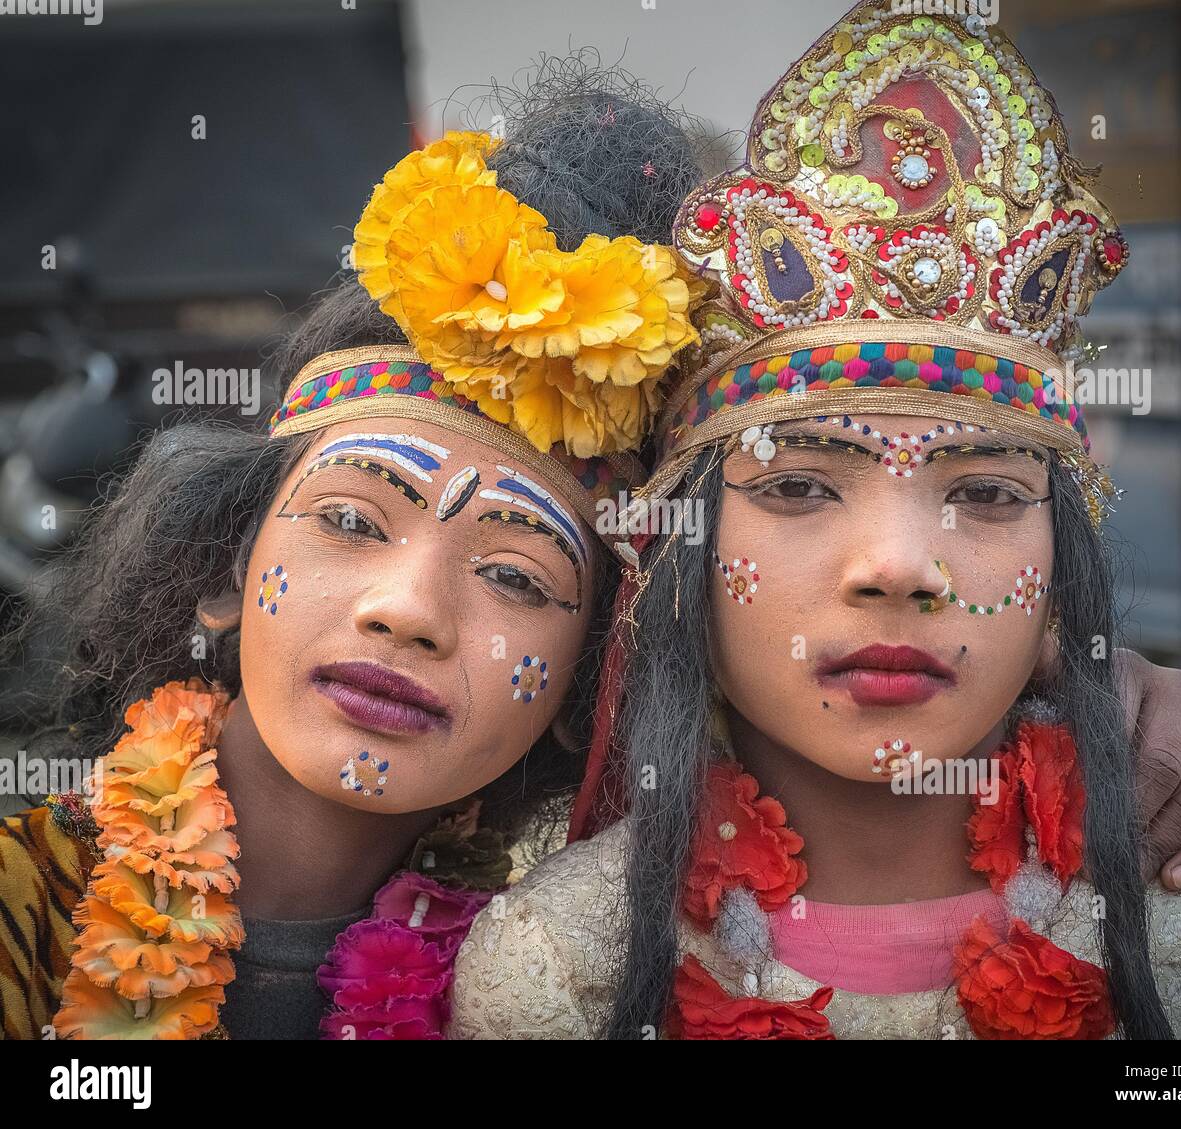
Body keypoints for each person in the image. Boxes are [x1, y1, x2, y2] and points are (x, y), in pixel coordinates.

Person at [448, 2, 1181, 1040]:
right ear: (678, 544)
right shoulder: (556, 967)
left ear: (1059, 556)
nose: (899, 567)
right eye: (799, 486)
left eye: (984, 492)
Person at [0, 65, 703, 1040]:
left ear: (585, 690)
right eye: (352, 521)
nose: (408, 609)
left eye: (513, 574)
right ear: (224, 567)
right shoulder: (18, 913)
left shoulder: (561, 993)